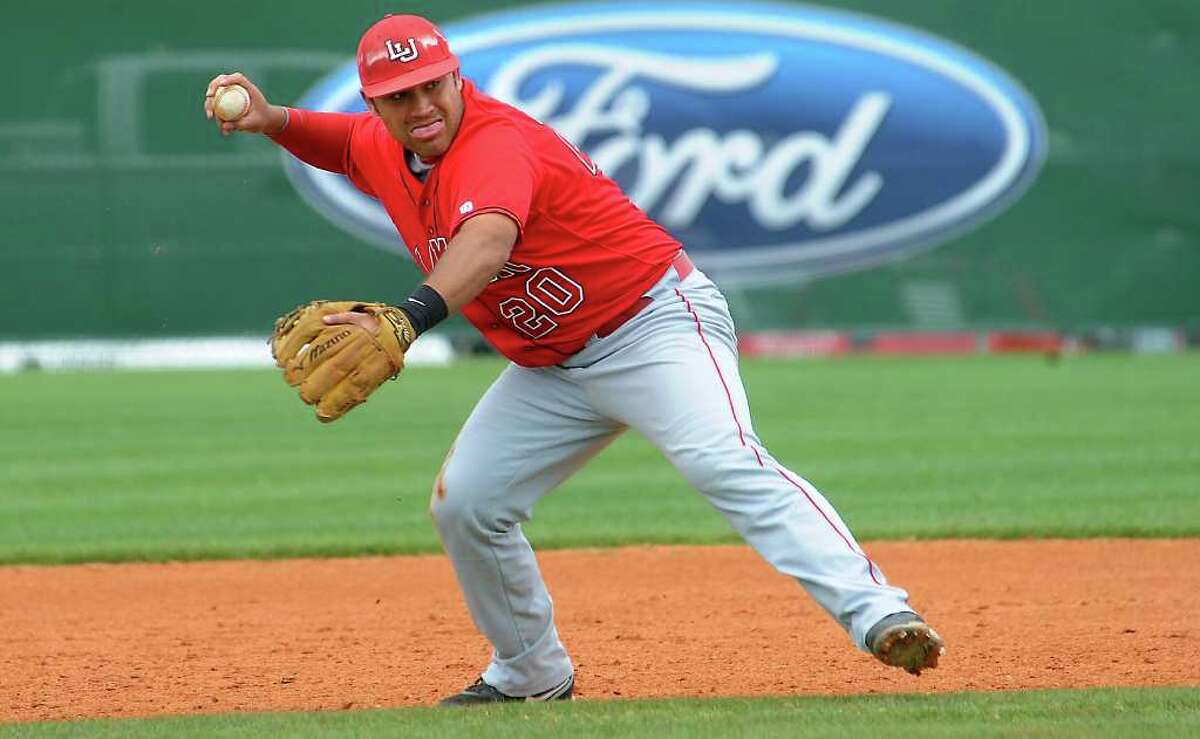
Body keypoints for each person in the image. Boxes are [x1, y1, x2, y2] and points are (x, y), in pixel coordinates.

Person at [205, 14, 944, 706]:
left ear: (457, 77)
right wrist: (271, 121)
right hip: (552, 366)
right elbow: (337, 141)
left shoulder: (494, 143)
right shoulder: (383, 142)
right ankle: (530, 671)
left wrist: (412, 315)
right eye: (399, 96)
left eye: (432, 84)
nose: (421, 104)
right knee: (469, 504)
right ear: (379, 103)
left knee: (724, 459)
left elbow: (488, 239)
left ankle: (880, 612)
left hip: (651, 326)